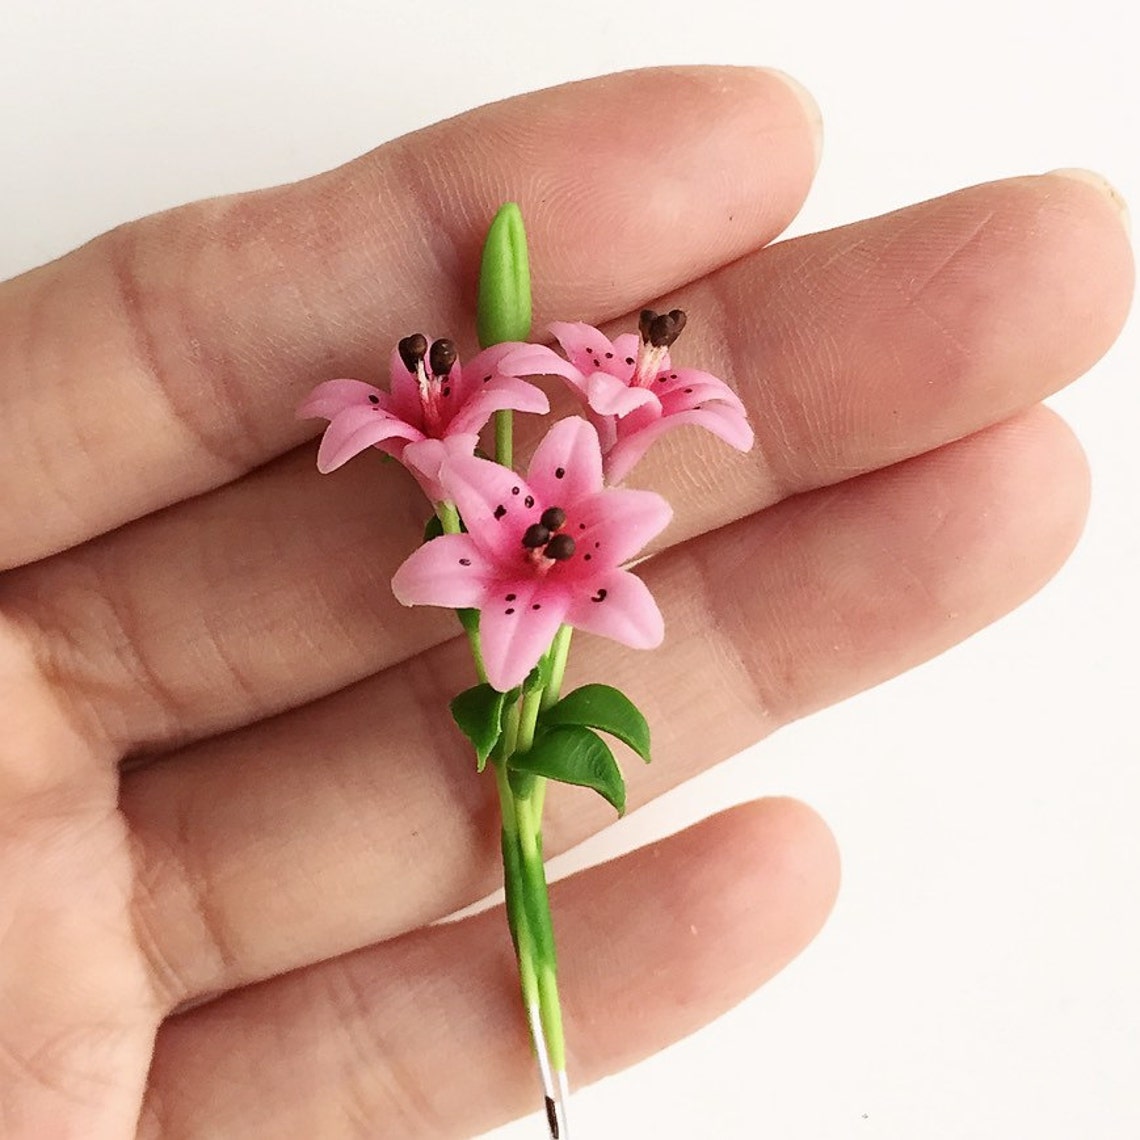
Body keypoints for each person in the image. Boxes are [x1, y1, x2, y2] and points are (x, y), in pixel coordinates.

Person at [0, 65, 1131, 1138]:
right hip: (495, 563)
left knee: (529, 751)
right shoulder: (491, 500)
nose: (540, 513)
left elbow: (577, 522)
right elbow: (487, 550)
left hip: (522, 578)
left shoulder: (576, 510)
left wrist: (521, 456)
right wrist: (449, 459)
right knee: (515, 715)